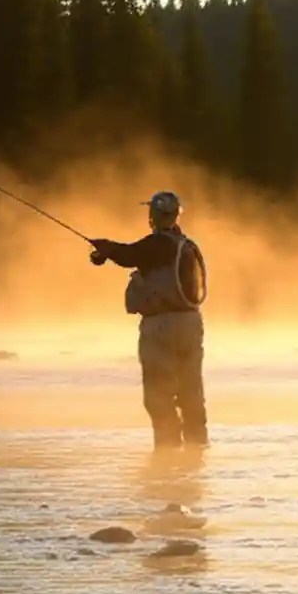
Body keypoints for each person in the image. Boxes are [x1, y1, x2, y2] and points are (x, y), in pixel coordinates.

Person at [89, 191, 208, 449]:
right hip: (191, 324)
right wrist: (107, 251)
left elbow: (128, 255)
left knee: (158, 393)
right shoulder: (184, 245)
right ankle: (196, 452)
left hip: (161, 327)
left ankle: (167, 451)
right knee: (191, 390)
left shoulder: (159, 245)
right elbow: (132, 255)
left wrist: (105, 248)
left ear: (153, 216)